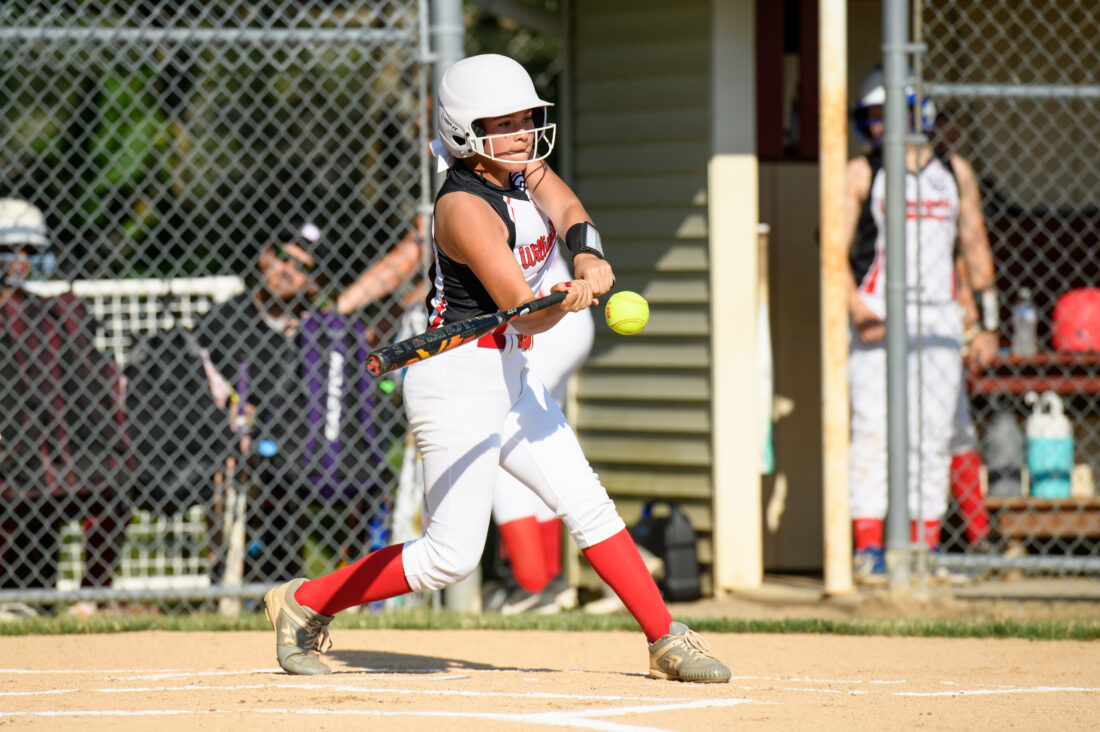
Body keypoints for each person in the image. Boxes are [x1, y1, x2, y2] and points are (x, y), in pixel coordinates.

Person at [262, 54, 731, 683]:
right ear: (464, 135)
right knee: (447, 558)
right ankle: (305, 602)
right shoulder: (464, 206)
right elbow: (525, 313)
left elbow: (566, 207)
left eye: (526, 118)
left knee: (588, 504)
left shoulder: (519, 167)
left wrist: (587, 254)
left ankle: (666, 639)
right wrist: (565, 300)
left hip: (512, 373)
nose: (521, 133)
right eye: (503, 123)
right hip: (455, 381)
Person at [338, 210, 594, 615]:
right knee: (538, 446)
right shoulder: (517, 177)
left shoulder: (466, 188)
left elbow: (405, 262)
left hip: (537, 325)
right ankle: (548, 581)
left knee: (501, 447)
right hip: (562, 323)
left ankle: (533, 585)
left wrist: (342, 305)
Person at [845, 68, 997, 582]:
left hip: (939, 316)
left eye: (888, 115)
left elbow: (974, 245)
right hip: (878, 315)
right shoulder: (862, 172)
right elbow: (833, 248)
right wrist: (851, 303)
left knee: (933, 434)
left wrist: (987, 320)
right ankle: (870, 548)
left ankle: (921, 547)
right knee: (871, 430)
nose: (880, 127)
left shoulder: (954, 172)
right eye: (871, 117)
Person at [196, 218, 391, 587]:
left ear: (314, 282)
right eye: (284, 258)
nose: (288, 271)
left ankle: (315, 586)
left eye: (303, 267)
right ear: (265, 257)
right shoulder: (225, 319)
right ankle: (224, 575)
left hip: (299, 446)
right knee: (228, 455)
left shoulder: (320, 332)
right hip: (239, 439)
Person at [0, 198, 131, 613]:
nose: (21, 262)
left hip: (47, 453)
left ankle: (89, 600)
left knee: (113, 487)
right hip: (13, 454)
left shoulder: (49, 312)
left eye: (30, 252)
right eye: (10, 250)